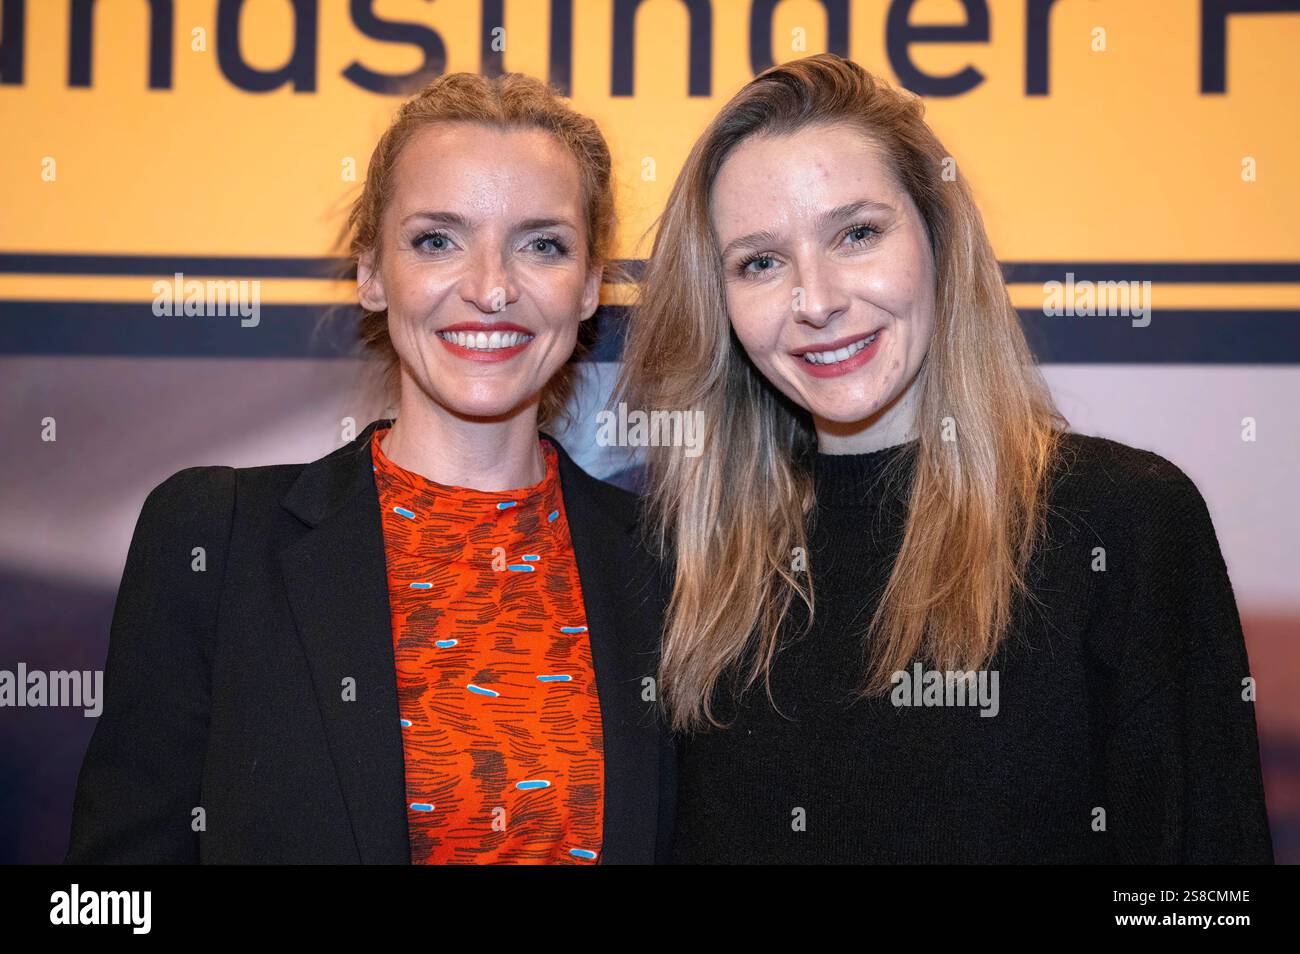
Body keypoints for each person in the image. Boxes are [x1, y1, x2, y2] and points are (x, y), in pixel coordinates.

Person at [618, 53, 1273, 864]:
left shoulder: (1123, 521)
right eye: (761, 262)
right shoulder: (682, 560)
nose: (816, 300)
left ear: (940, 238)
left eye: (857, 233)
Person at [66, 71, 673, 864]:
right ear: (373, 273)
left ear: (590, 285)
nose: (491, 288)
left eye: (542, 245)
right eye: (437, 240)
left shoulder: (666, 567)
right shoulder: (215, 537)